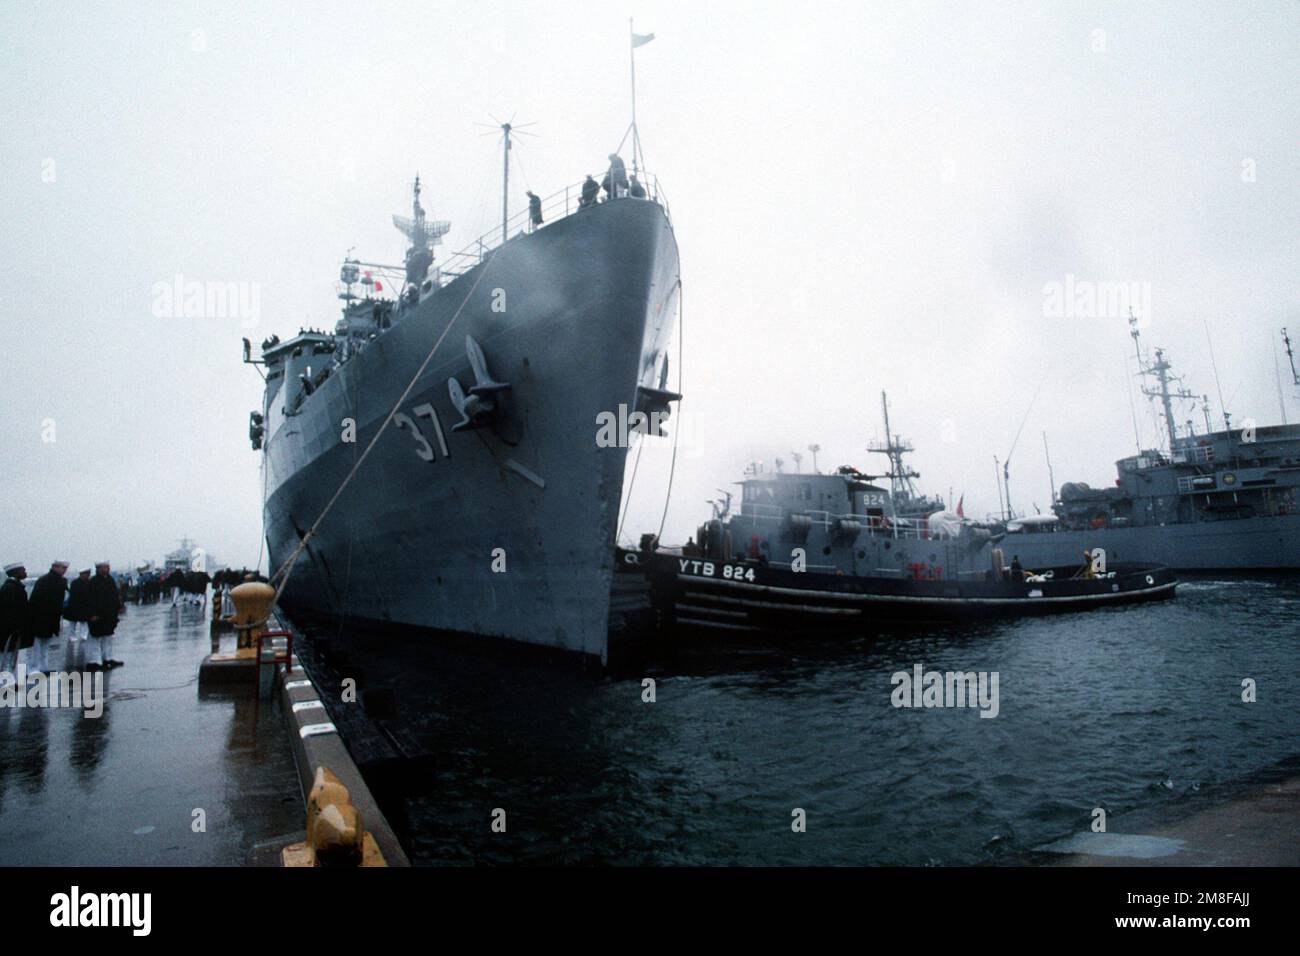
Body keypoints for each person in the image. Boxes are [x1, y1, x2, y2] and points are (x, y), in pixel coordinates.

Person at [28, 560, 69, 674]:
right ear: (55, 567)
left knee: (45, 644)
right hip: (40, 617)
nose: (64, 570)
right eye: (62, 568)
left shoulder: (60, 582)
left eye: (65, 568)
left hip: (51, 617)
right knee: (36, 645)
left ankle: (43, 667)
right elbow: (36, 600)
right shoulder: (44, 581)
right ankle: (32, 669)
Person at [87, 561, 124, 670]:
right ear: (98, 568)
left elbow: (114, 595)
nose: (107, 568)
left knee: (107, 637)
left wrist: (118, 606)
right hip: (97, 615)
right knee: (95, 638)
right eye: (105, 567)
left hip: (109, 614)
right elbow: (89, 600)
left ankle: (107, 658)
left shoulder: (110, 580)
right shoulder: (93, 582)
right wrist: (92, 614)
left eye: (108, 567)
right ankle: (94, 661)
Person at [0, 562, 29, 682]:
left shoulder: (13, 586)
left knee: (11, 656)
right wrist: (15, 626)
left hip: (12, 628)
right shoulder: (11, 588)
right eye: (23, 570)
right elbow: (9, 610)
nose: (25, 572)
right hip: (9, 629)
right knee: (6, 657)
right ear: (16, 572)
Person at [64, 567, 92, 643]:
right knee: (73, 623)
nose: (87, 576)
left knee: (84, 622)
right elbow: (72, 595)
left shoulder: (89, 582)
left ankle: (84, 635)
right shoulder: (75, 583)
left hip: (84, 606)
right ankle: (72, 636)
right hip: (74, 606)